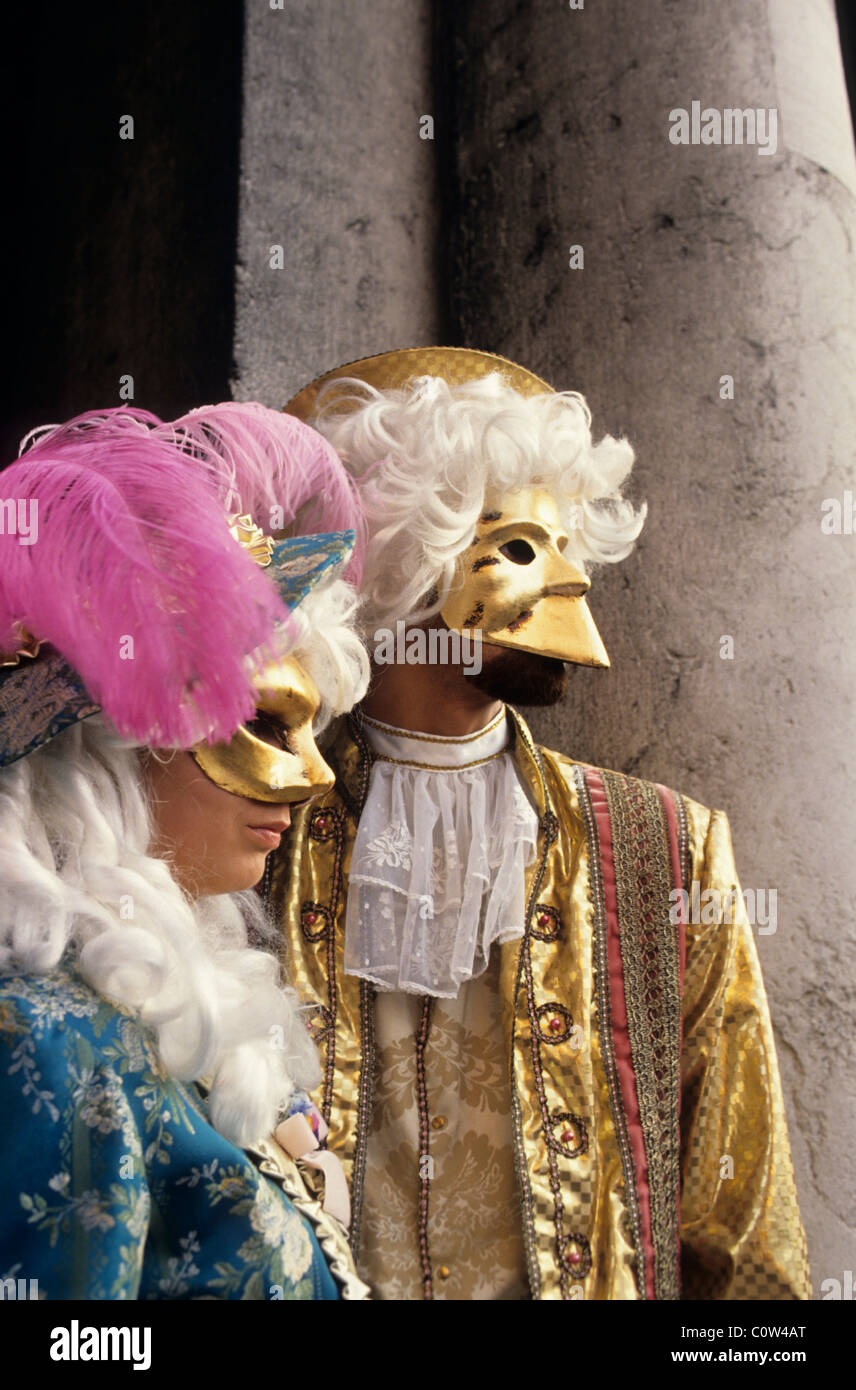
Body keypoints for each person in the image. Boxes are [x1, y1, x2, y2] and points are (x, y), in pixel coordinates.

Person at [271, 347, 811, 1301]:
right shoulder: (254, 830)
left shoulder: (666, 850)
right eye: (525, 546)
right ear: (406, 552)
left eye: (571, 548)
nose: (573, 584)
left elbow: (744, 1249)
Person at [0, 404, 371, 1300]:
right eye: (258, 723)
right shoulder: (50, 1043)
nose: (316, 776)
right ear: (102, 745)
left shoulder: (157, 1015)